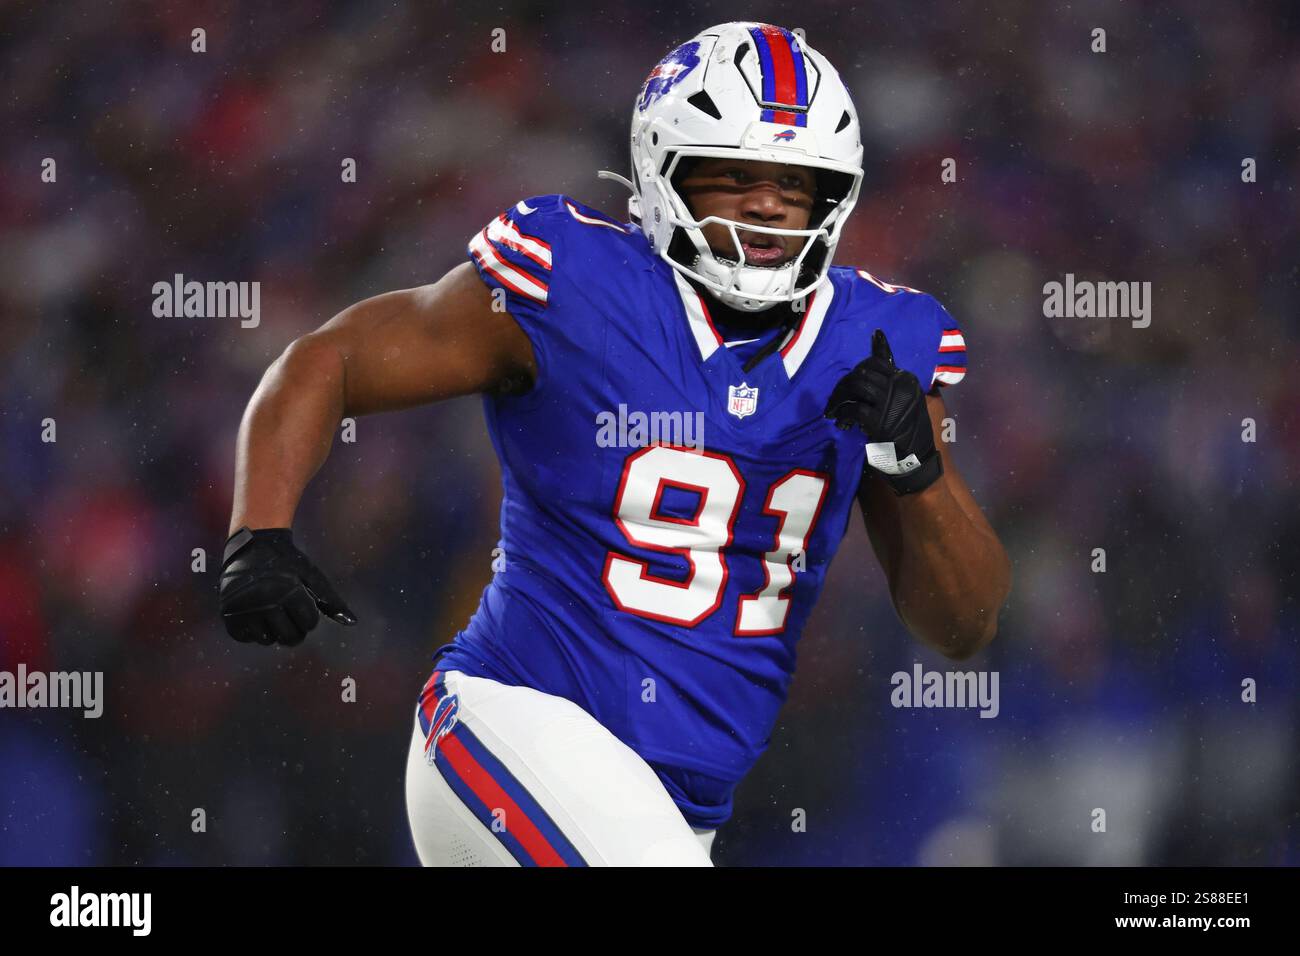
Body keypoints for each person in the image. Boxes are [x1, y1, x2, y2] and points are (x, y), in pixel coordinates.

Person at [219, 21, 1011, 866]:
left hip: (674, 813)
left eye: (796, 181)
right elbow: (330, 359)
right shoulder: (573, 278)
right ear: (663, 172)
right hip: (511, 725)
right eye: (732, 175)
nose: (769, 202)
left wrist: (915, 470)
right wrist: (256, 532)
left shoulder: (877, 343)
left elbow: (964, 625)